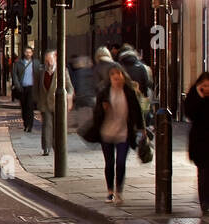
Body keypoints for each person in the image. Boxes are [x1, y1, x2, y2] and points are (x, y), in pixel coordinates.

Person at [84, 64, 145, 205]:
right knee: (110, 163)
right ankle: (110, 191)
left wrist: (142, 130)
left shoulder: (129, 92)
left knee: (121, 162)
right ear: (110, 78)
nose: (116, 79)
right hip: (107, 132)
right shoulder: (104, 92)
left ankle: (119, 192)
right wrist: (103, 109)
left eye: (119, 76)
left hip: (123, 133)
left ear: (123, 77)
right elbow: (96, 114)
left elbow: (137, 111)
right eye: (113, 76)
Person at [33, 49, 74, 157]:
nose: (48, 62)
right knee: (47, 125)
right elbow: (36, 87)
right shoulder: (41, 71)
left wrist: (68, 98)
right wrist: (37, 101)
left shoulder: (63, 71)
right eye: (47, 60)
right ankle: (46, 147)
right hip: (45, 104)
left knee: (58, 127)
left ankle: (58, 147)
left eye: (50, 60)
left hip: (58, 104)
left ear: (55, 58)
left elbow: (69, 88)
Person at [184, 72, 209, 215]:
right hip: (200, 142)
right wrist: (199, 96)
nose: (206, 88)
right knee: (203, 172)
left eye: (208, 85)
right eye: (203, 86)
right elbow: (190, 114)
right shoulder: (194, 98)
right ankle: (204, 202)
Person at [117, 46, 154, 127]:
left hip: (123, 96)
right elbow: (145, 83)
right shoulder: (141, 66)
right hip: (139, 96)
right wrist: (144, 95)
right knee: (140, 117)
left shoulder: (119, 66)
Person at [12, 45, 36, 133]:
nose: (28, 54)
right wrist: (18, 86)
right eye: (27, 52)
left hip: (31, 88)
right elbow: (15, 76)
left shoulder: (35, 63)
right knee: (24, 107)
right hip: (22, 88)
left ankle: (30, 125)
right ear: (24, 53)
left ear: (32, 53)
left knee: (30, 107)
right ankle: (26, 124)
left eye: (30, 52)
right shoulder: (18, 63)